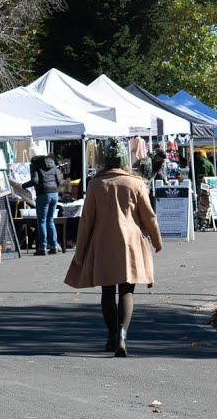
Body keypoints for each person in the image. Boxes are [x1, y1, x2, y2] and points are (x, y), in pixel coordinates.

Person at [64, 139, 163, 357]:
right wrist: (157, 240)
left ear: (105, 161)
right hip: (131, 242)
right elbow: (149, 217)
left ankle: (110, 335)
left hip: (102, 242)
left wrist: (80, 253)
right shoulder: (136, 183)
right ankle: (122, 334)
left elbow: (87, 221)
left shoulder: (96, 184)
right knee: (127, 289)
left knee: (107, 290)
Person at [26, 151, 66, 255]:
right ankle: (54, 245)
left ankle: (42, 247)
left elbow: (35, 180)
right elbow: (59, 180)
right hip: (54, 194)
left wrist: (22, 186)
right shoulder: (53, 164)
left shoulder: (35, 165)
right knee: (50, 220)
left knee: (42, 221)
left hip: (43, 194)